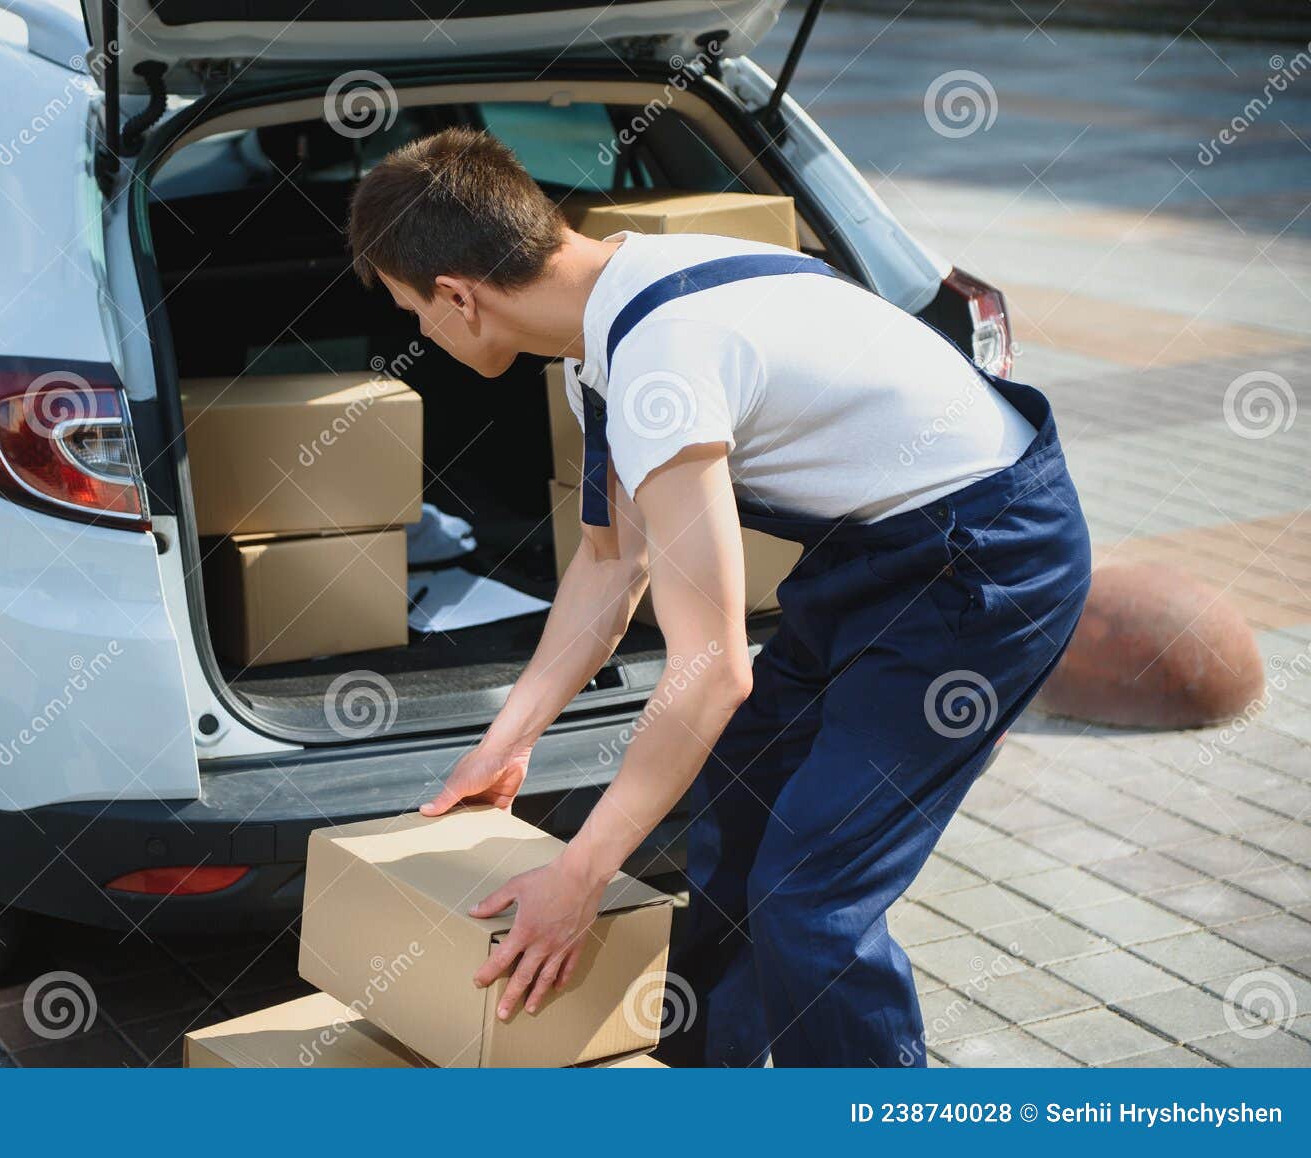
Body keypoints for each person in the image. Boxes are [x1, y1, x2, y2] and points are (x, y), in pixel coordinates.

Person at [345, 127, 1092, 1067]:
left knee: (811, 902)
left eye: (416, 309)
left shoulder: (660, 358)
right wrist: (511, 740)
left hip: (986, 566)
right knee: (736, 821)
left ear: (459, 295)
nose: (422, 333)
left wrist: (580, 875)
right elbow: (611, 565)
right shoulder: (609, 318)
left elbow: (710, 672)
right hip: (881, 550)